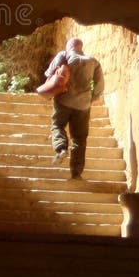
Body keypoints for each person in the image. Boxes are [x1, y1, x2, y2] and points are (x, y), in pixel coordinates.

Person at [45, 37, 104, 180]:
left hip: (64, 100)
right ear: (80, 46)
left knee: (57, 125)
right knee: (79, 138)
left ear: (70, 46)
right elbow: (100, 84)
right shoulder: (93, 61)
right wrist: (92, 99)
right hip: (83, 105)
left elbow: (49, 74)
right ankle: (76, 173)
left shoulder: (64, 55)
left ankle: (61, 149)